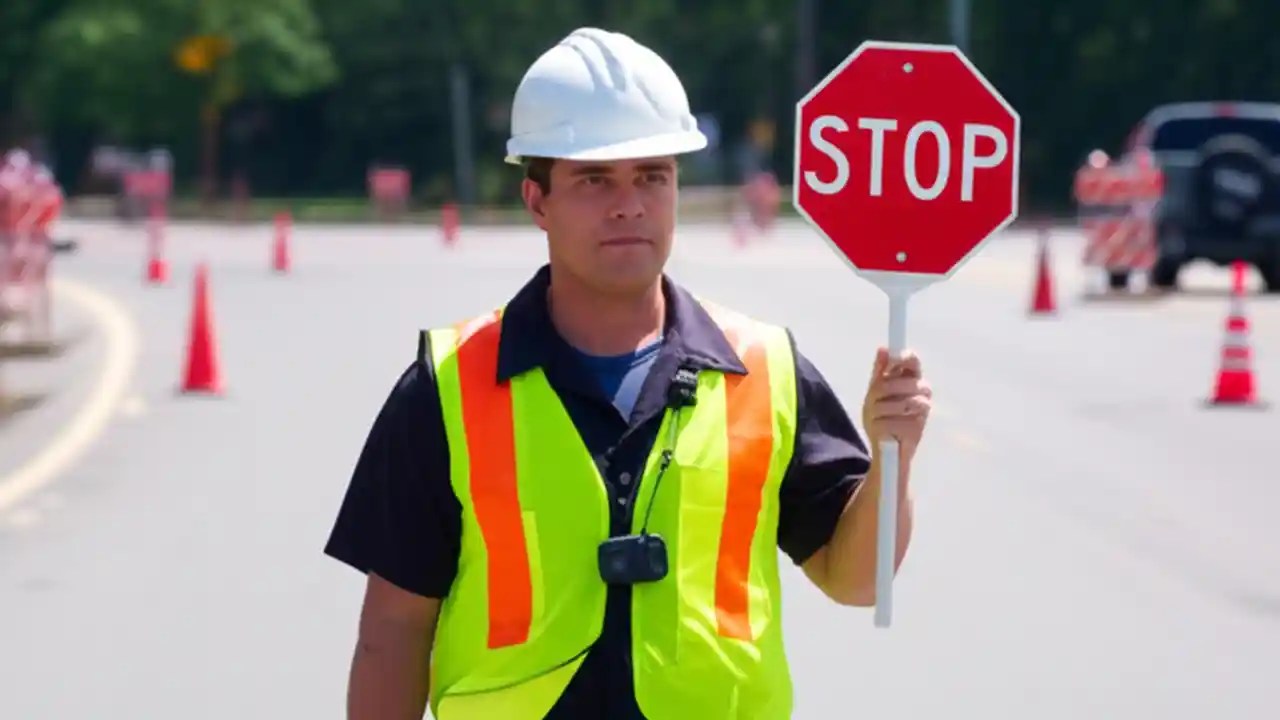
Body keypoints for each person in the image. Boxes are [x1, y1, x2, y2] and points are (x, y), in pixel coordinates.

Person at [325, 27, 933, 720]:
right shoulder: (449, 387)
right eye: (594, 180)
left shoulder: (765, 370)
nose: (629, 204)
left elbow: (856, 580)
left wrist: (894, 458)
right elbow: (394, 631)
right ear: (536, 202)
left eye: (652, 176)